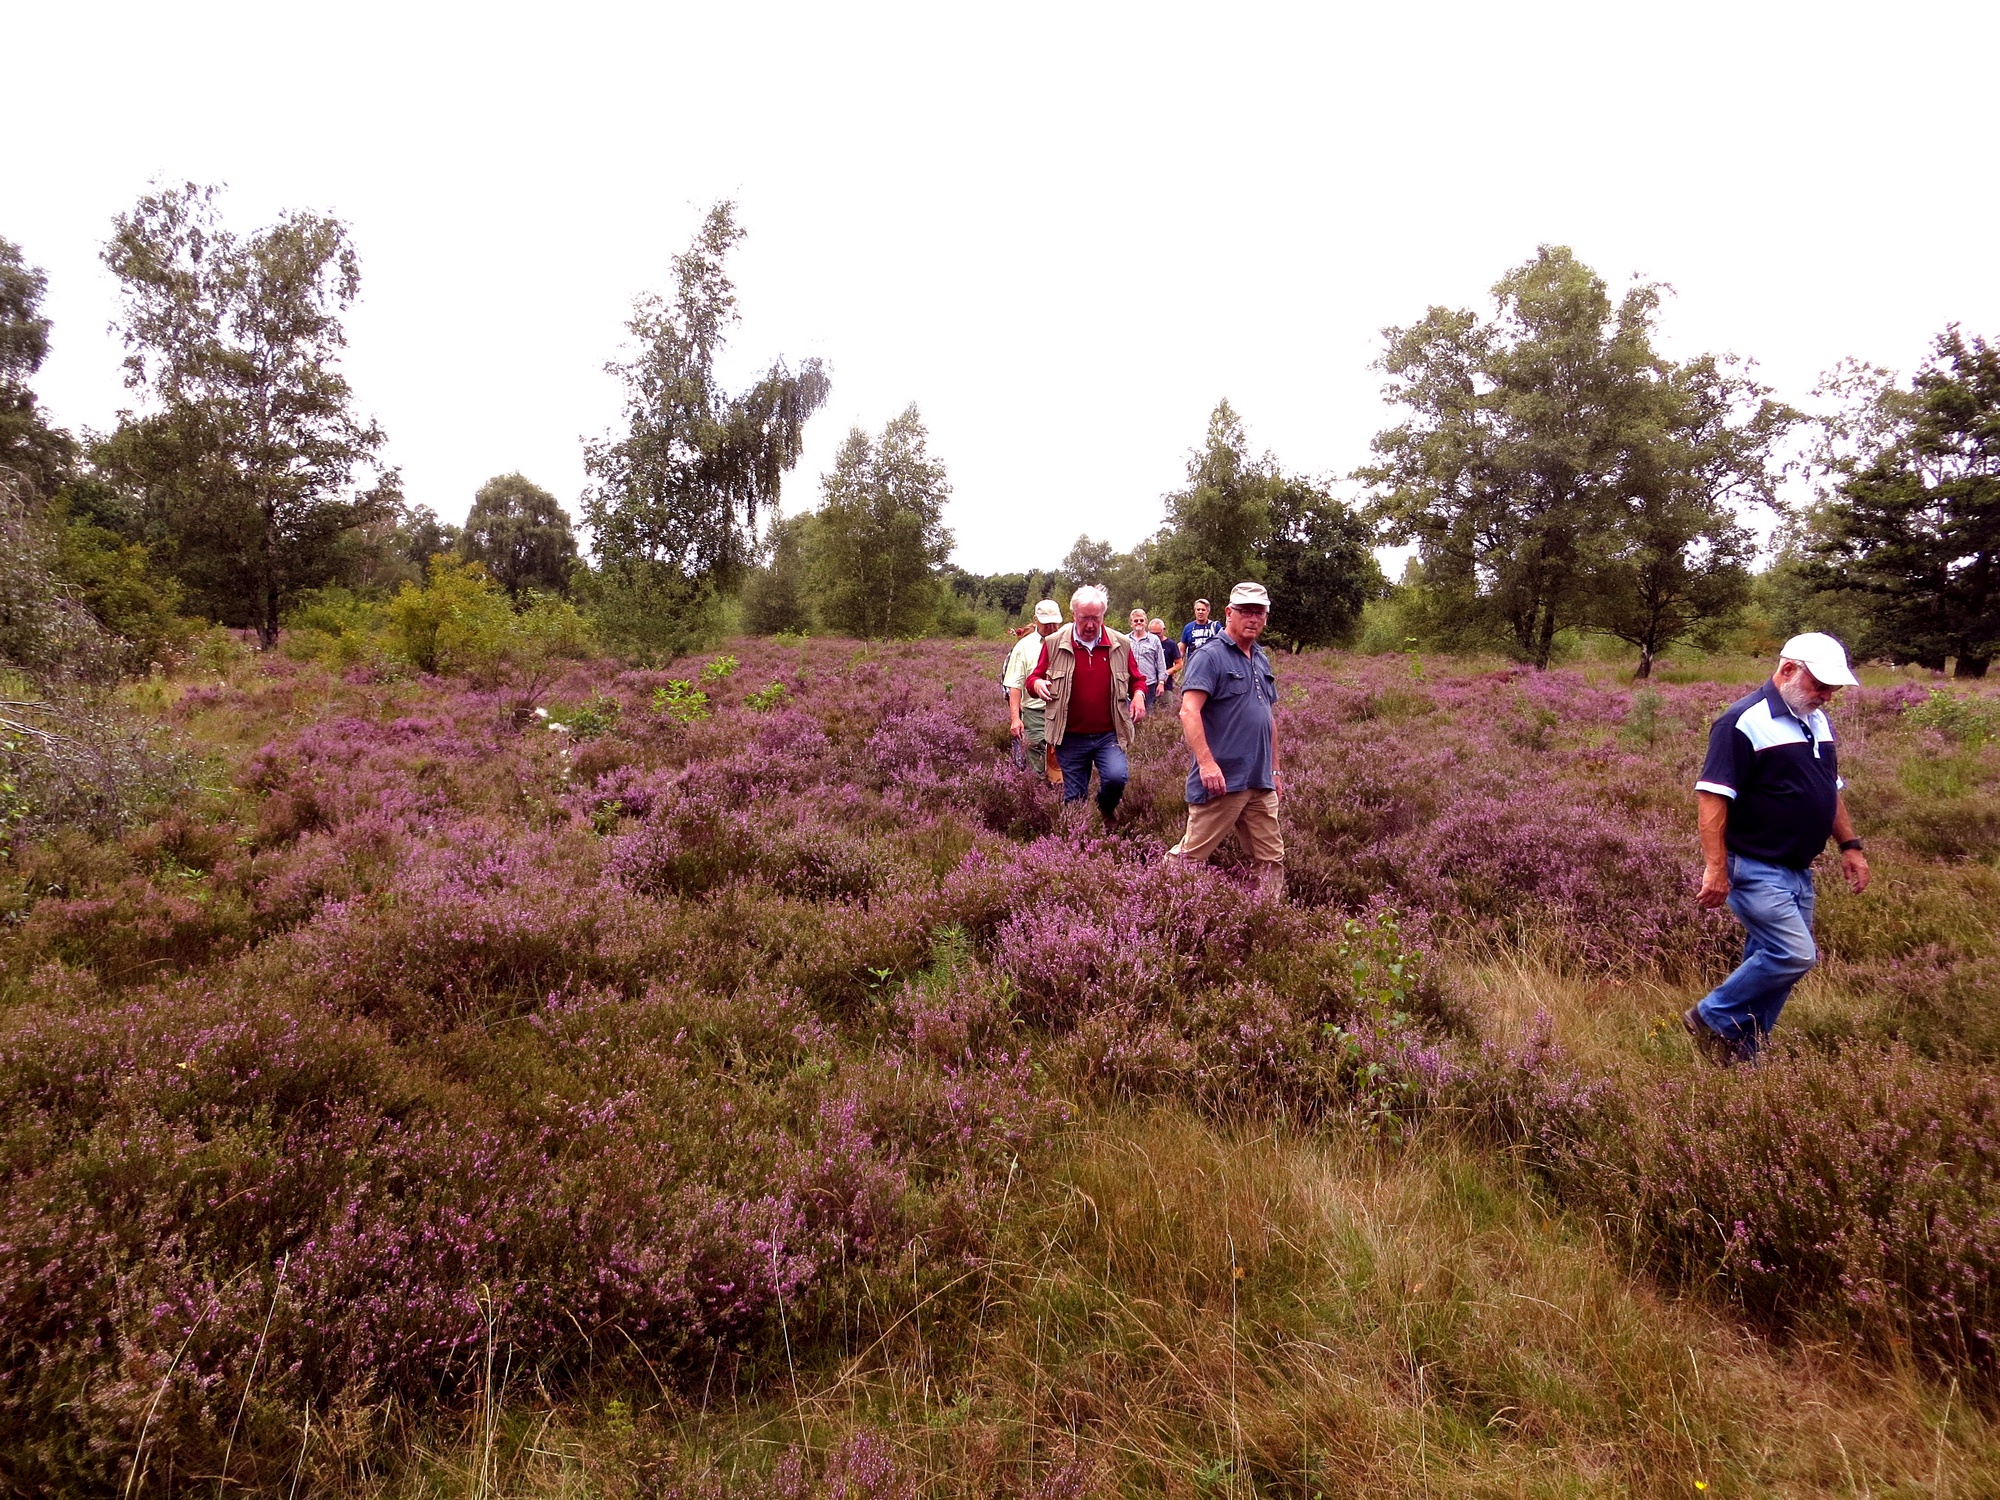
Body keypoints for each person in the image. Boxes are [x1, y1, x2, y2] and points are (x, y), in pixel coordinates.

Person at [1683, 633, 1872, 1065]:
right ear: (1788, 669)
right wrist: (1716, 869)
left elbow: (1830, 790)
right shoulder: (1741, 722)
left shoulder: (1815, 719)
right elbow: (1712, 799)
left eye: (1832, 689)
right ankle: (1710, 1016)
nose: (1826, 696)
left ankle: (1742, 1055)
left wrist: (1851, 844)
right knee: (1794, 955)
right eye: (1819, 685)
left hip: (1798, 869)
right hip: (1753, 867)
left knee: (1772, 968)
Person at [1168, 582, 1283, 896]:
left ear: (1266, 617)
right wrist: (1207, 764)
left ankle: (1266, 918)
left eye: (1259, 612)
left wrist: (1275, 770)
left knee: (1270, 857)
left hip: (1260, 779)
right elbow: (1188, 712)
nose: (1252, 618)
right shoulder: (1210, 657)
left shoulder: (1260, 658)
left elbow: (1267, 718)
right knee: (1190, 857)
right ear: (1229, 613)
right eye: (1245, 611)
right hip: (1222, 779)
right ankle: (1159, 902)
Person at [1026, 585, 1147, 826]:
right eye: (1084, 619)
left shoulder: (1120, 644)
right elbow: (1033, 678)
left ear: (1103, 615)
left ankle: (1105, 807)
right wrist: (1037, 684)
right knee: (1074, 798)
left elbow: (1138, 680)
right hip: (1069, 736)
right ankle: (1077, 844)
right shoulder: (1053, 643)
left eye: (1096, 618)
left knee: (1116, 777)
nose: (1090, 625)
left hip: (1108, 733)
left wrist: (1140, 696)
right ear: (1074, 616)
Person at [1003, 600, 1064, 765]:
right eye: (1046, 623)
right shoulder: (1023, 647)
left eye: (1054, 623)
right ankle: (1036, 789)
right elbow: (1015, 686)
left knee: (1064, 765)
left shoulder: (1068, 642)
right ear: (1036, 620)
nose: (1051, 627)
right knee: (1037, 762)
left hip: (1064, 714)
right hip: (1035, 714)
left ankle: (1057, 790)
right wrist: (1015, 719)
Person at [1128, 606, 1168, 714]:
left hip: (1149, 684)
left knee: (1148, 714)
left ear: (1146, 622)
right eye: (1136, 621)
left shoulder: (1154, 640)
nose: (1139, 622)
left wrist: (1161, 682)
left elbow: (1160, 662)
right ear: (1131, 623)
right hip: (1129, 684)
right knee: (1130, 714)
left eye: (1141, 620)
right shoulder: (1125, 640)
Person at [1179, 598, 1226, 667]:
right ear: (1195, 611)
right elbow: (1181, 651)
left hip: (1212, 665)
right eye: (1198, 609)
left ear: (1208, 611)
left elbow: (1223, 647)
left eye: (1203, 610)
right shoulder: (1188, 628)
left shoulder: (1215, 627)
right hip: (1194, 666)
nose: (1200, 612)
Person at [1151, 618, 1180, 699]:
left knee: (1166, 709)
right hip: (1149, 685)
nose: (1155, 636)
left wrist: (1166, 673)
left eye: (1157, 633)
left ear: (1164, 630)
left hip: (1166, 686)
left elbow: (1179, 664)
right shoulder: (1147, 644)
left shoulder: (1171, 644)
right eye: (1152, 633)